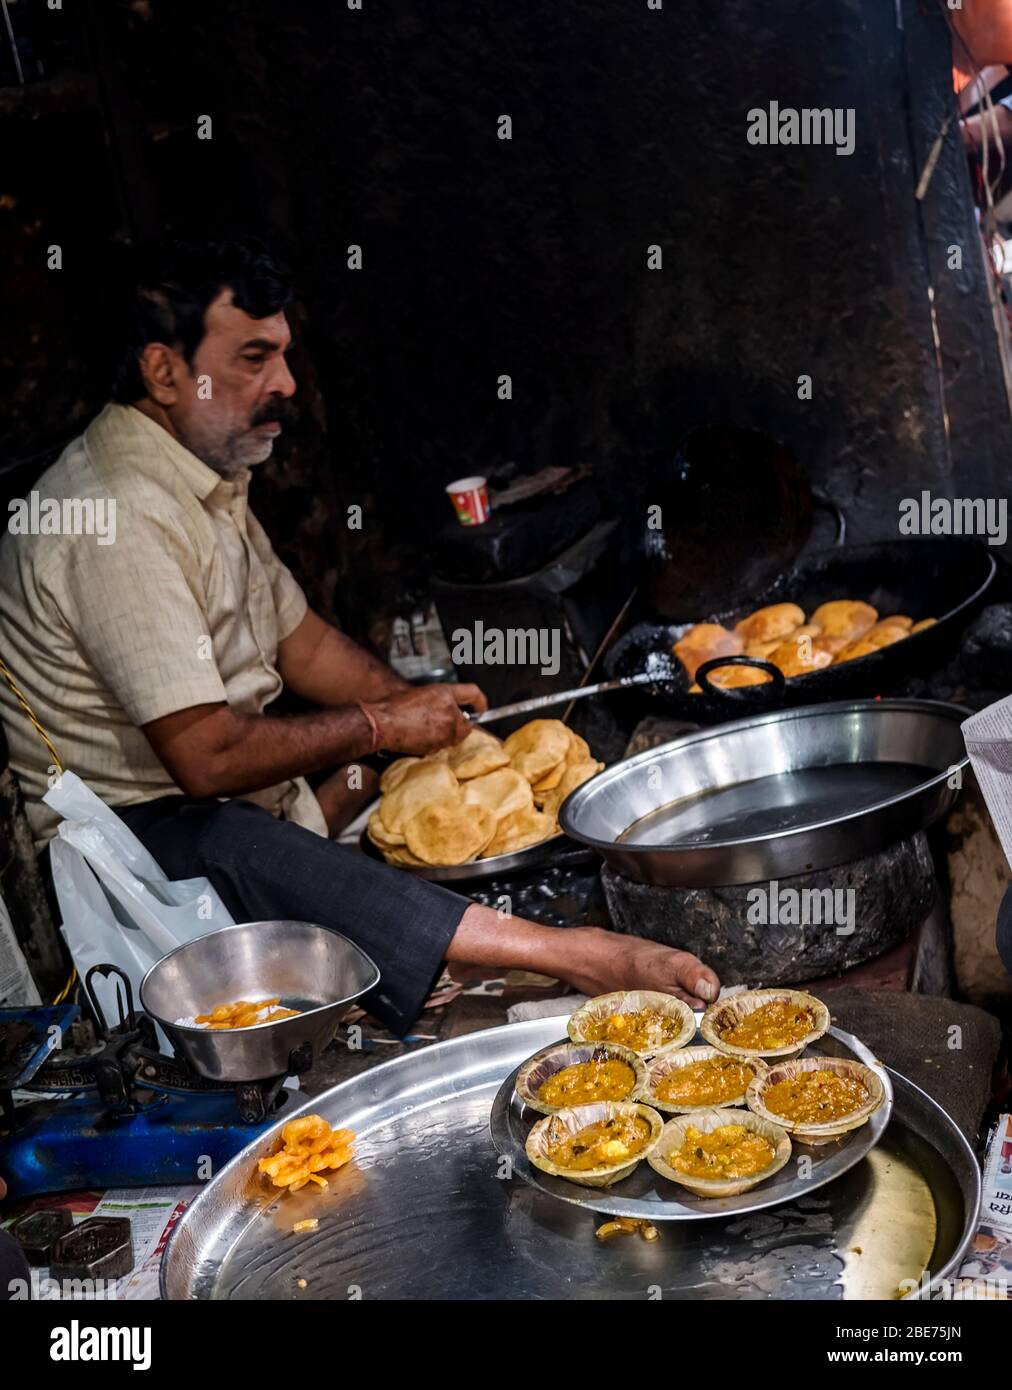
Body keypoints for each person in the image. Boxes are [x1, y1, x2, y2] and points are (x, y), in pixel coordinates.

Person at [0, 235, 719, 1033]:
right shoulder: (117, 518)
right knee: (244, 839)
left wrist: (418, 712)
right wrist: (381, 726)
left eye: (285, 355)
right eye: (253, 358)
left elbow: (299, 642)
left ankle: (418, 936)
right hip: (136, 843)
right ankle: (571, 953)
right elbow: (205, 759)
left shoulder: (200, 478)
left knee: (389, 770)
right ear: (164, 371)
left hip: (223, 799)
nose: (285, 384)